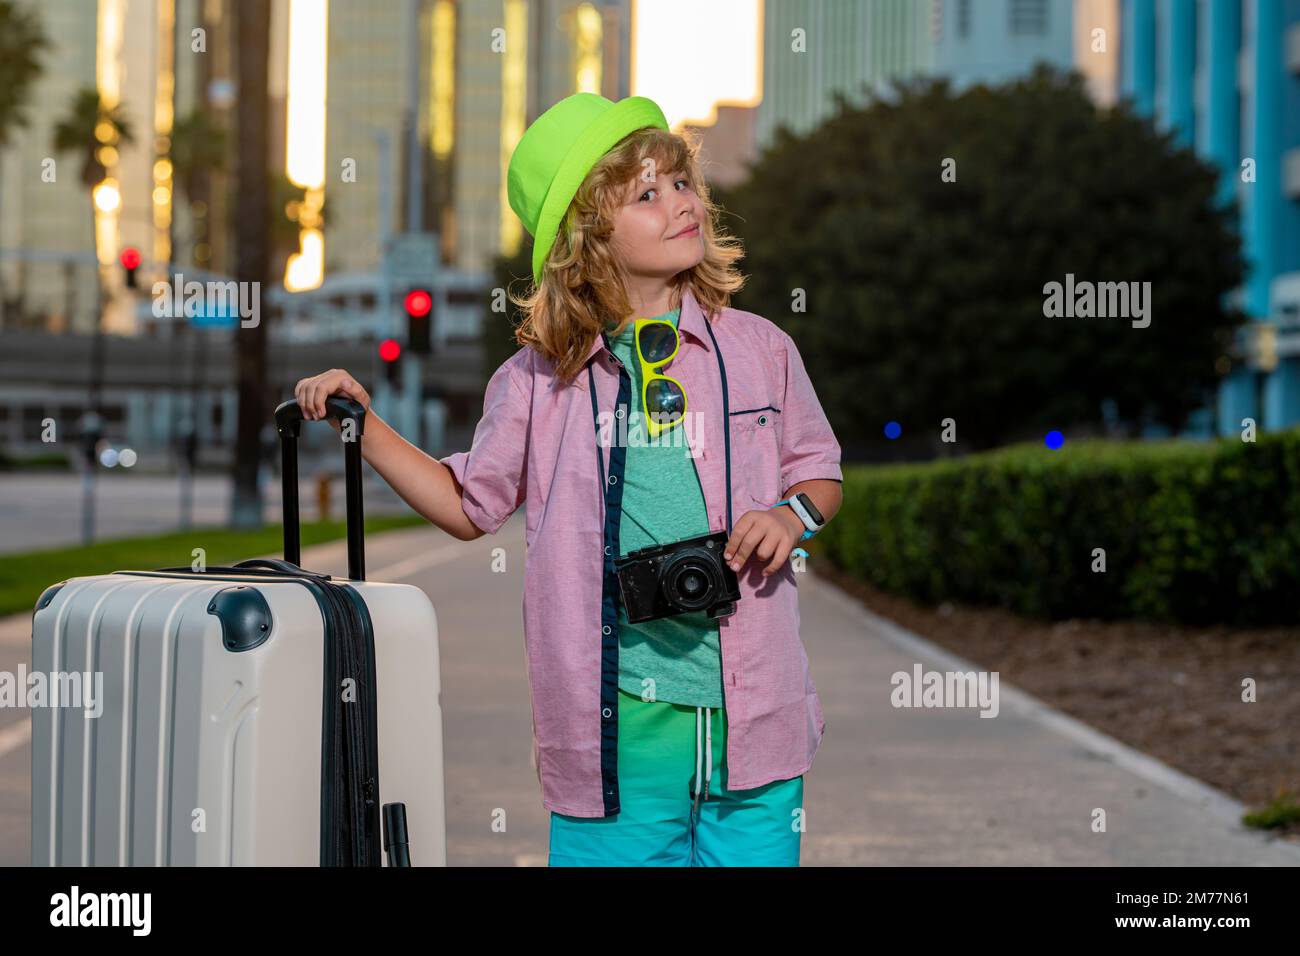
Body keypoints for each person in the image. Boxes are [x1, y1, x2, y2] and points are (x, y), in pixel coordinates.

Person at [293, 92, 844, 866]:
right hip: (610, 740)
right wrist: (366, 427)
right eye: (645, 195)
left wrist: (791, 519)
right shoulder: (534, 382)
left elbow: (821, 473)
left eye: (681, 183)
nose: (680, 203)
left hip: (754, 723)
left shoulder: (761, 349)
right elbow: (466, 504)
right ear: (589, 241)